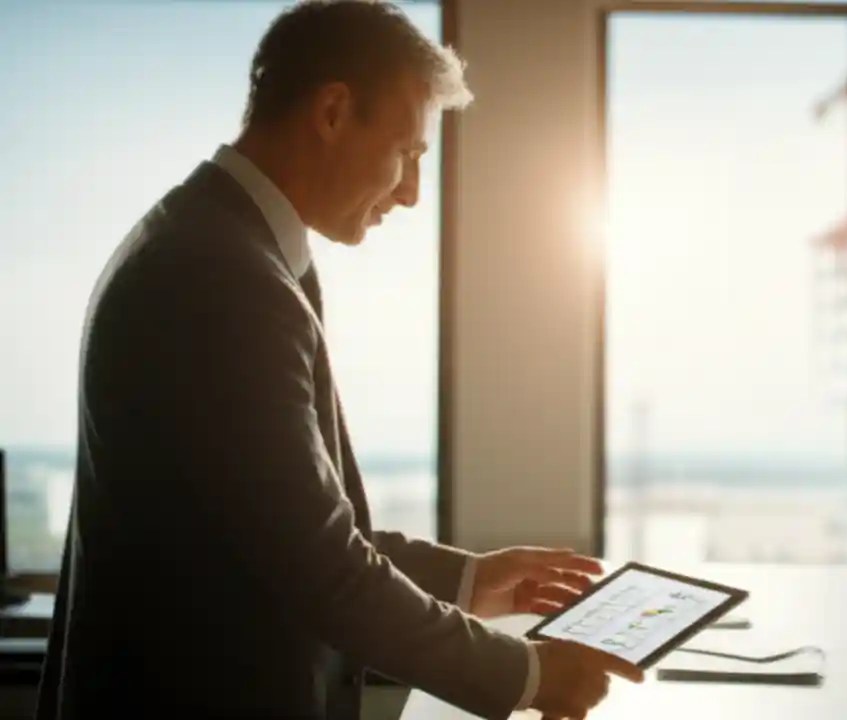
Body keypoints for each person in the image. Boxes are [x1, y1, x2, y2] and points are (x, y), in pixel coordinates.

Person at [35, 1, 642, 718]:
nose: (413, 193)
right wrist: (531, 675)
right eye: (408, 153)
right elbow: (319, 567)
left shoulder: (218, 247)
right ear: (332, 112)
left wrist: (470, 580)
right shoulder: (222, 280)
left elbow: (283, 525)